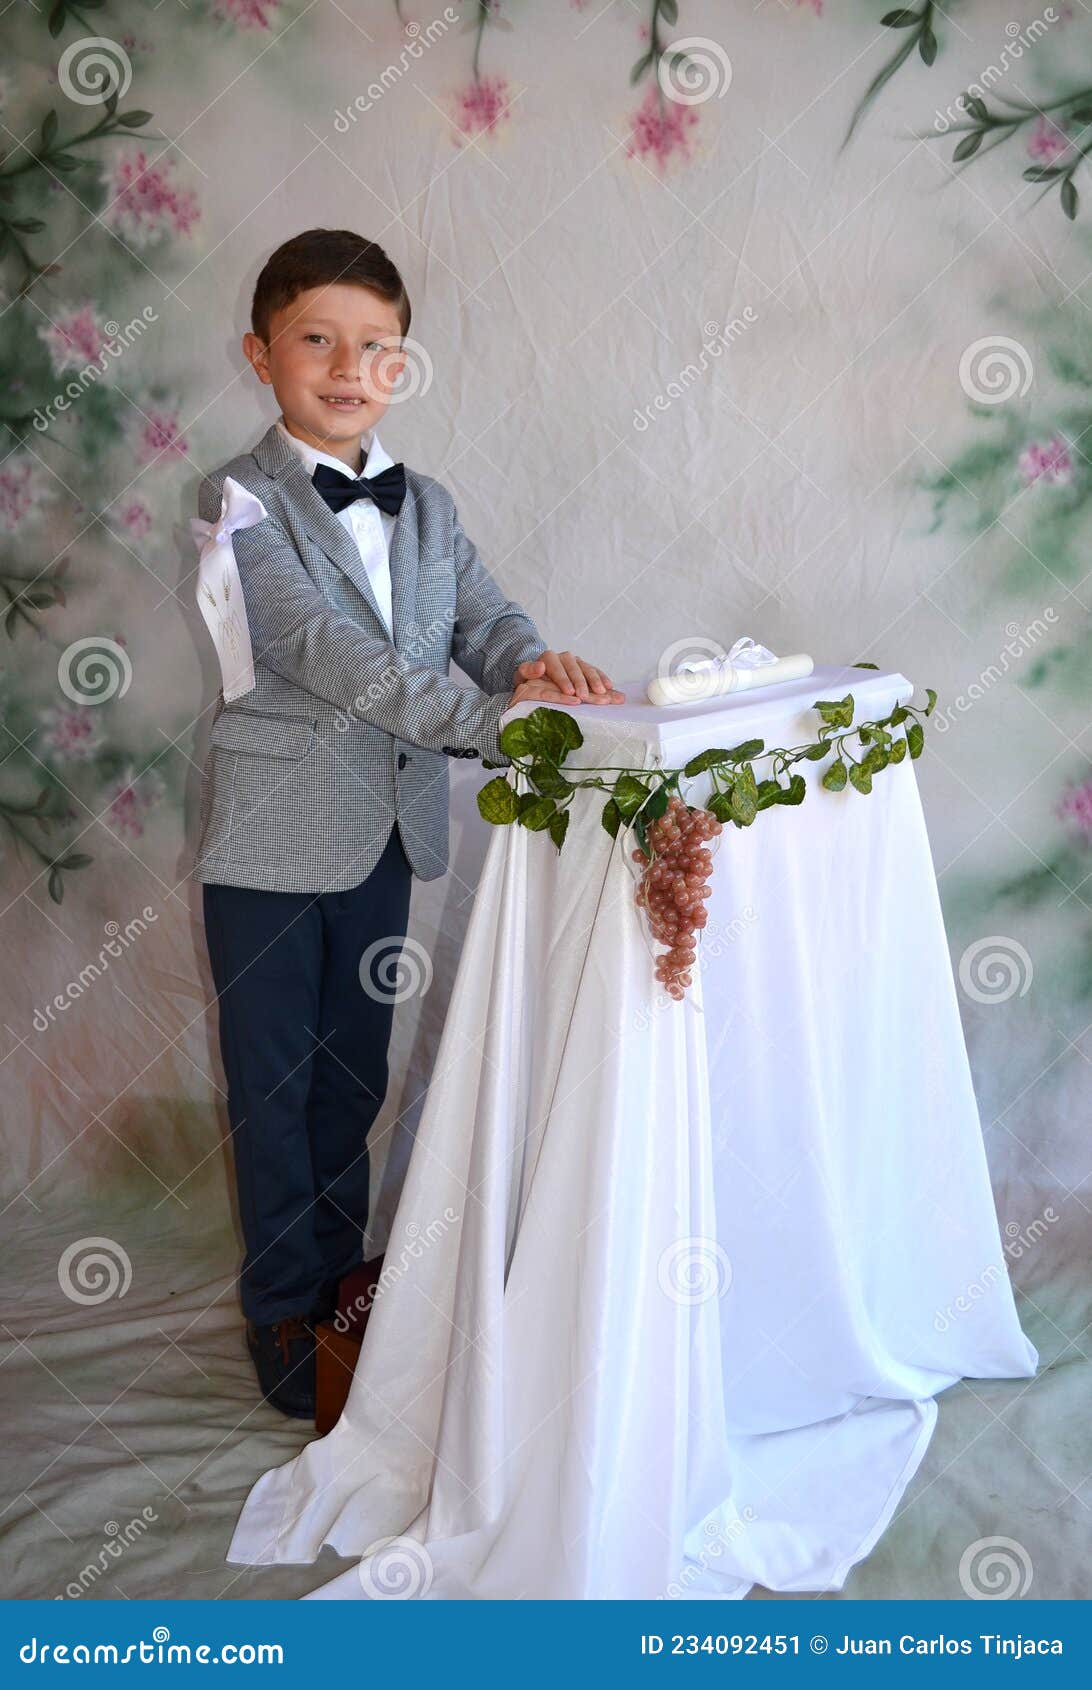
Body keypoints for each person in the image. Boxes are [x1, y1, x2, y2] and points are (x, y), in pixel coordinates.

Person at [192, 227, 624, 1417]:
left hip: (386, 836)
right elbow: (326, 652)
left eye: (375, 346)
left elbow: (485, 618)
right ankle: (281, 1315)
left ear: (401, 364)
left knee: (349, 1080)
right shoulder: (237, 499)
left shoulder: (426, 504)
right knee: (274, 1087)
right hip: (269, 846)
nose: (348, 368)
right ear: (261, 355)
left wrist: (534, 666)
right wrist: (492, 724)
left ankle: (338, 1291)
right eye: (316, 340)